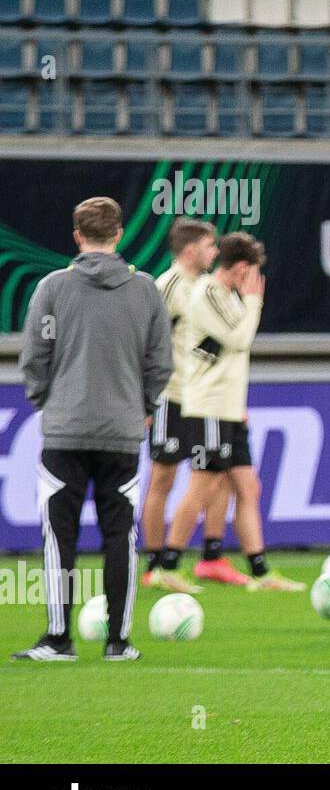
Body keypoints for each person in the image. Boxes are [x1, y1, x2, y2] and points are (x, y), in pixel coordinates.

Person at [13, 197, 171, 662]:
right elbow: (160, 362)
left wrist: (49, 403)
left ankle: (58, 638)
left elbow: (33, 357)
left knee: (58, 535)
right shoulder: (146, 291)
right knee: (119, 535)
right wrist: (140, 405)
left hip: (64, 432)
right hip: (122, 432)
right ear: (119, 234)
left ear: (77, 235)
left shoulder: (52, 288)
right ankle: (118, 642)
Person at [155, 233, 303, 593]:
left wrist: (238, 405)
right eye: (251, 273)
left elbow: (232, 351)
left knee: (248, 486)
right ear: (240, 269)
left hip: (228, 408)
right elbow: (240, 340)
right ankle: (168, 564)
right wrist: (254, 303)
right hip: (208, 407)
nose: (253, 282)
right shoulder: (206, 293)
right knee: (203, 484)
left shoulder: (228, 296)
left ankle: (260, 571)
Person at [140, 218, 240, 588]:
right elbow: (146, 344)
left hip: (205, 399)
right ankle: (154, 565)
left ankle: (193, 559)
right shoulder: (166, 287)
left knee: (215, 476)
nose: (215, 252)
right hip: (172, 396)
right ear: (189, 249)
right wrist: (146, 398)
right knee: (163, 477)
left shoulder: (205, 288)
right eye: (210, 245)